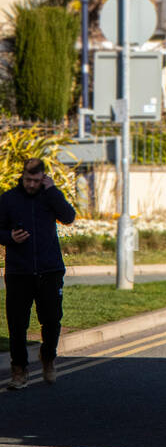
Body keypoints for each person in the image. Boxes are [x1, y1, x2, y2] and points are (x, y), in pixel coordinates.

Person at [0, 158, 76, 389]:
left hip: (49, 270)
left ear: (43, 178)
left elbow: (68, 217)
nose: (31, 184)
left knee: (52, 320)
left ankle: (48, 358)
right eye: (27, 180)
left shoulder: (49, 196)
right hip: (19, 272)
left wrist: (52, 190)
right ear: (22, 177)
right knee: (17, 324)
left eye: (36, 180)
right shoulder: (9, 199)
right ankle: (19, 370)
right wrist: (9, 238)